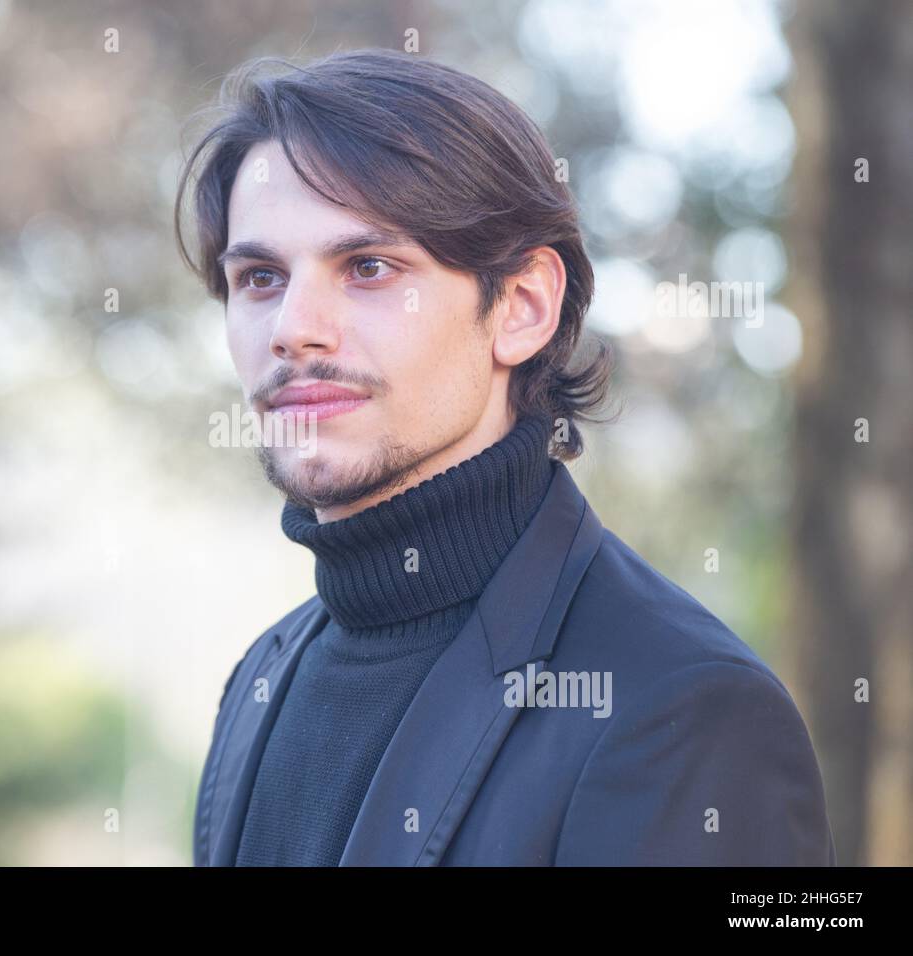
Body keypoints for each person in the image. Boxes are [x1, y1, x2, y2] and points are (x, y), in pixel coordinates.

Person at [175, 48, 835, 866]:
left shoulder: (688, 708)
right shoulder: (260, 683)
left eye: (370, 268)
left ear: (521, 308)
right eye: (262, 277)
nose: (293, 327)